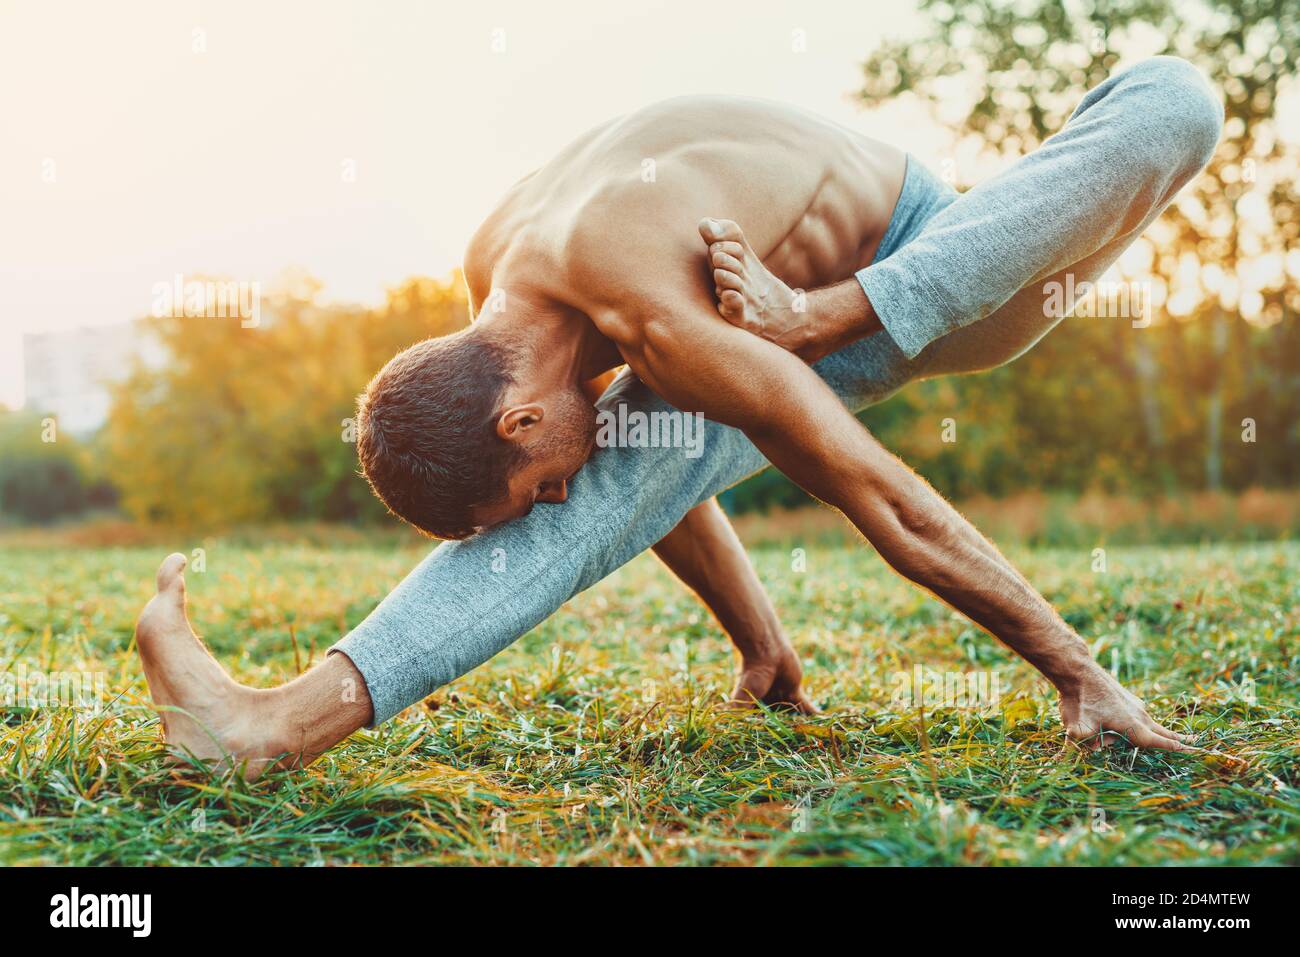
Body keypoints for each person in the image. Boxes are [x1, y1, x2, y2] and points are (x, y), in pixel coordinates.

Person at [134, 57, 1222, 777]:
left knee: (1173, 96)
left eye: (538, 487)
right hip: (740, 318)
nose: (568, 495)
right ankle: (268, 726)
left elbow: (881, 495)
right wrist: (764, 650)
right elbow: (651, 478)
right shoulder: (507, 283)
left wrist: (1077, 672)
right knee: (620, 456)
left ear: (515, 421)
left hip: (936, 271)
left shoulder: (649, 314)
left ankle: (829, 308)